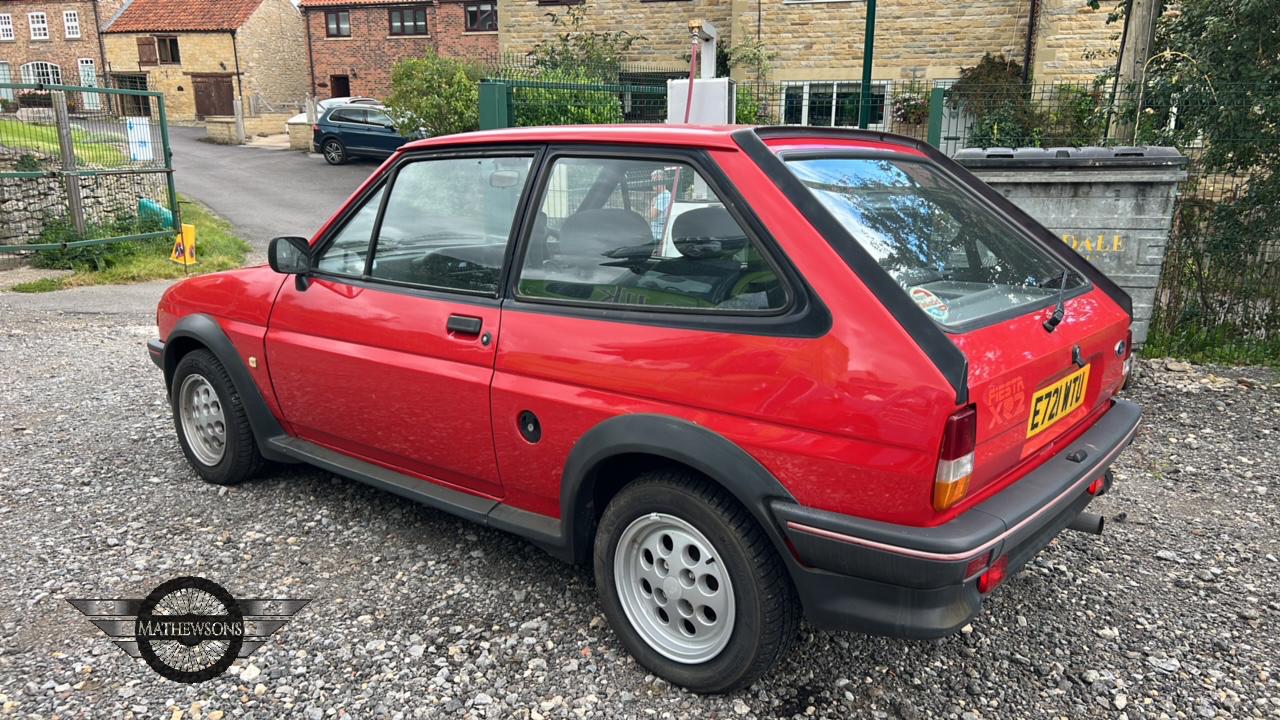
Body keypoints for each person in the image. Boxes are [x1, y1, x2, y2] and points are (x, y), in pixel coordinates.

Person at [647, 169, 672, 241]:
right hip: (657, 235)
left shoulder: (663, 196)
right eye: (653, 180)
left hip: (659, 237)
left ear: (664, 181)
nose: (654, 183)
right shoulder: (661, 196)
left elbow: (651, 215)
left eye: (657, 180)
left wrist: (652, 204)